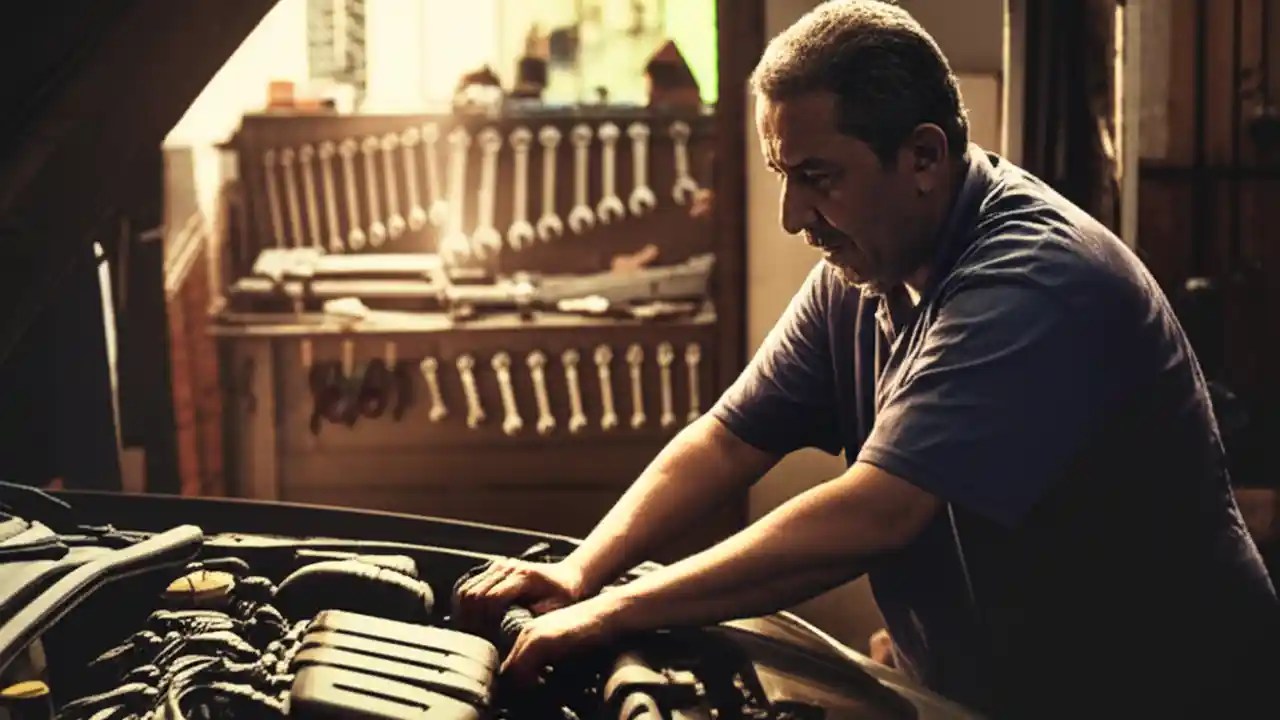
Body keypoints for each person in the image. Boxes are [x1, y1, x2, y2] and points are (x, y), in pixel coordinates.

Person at [454, 2, 1280, 716]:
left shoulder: (1033, 276)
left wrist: (616, 611)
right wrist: (580, 572)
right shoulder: (861, 273)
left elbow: (873, 513)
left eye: (817, 176)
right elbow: (729, 439)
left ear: (923, 157)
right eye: (783, 174)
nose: (792, 216)